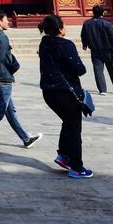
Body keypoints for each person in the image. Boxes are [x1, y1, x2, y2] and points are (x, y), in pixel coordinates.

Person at [0, 10, 41, 154]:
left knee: (9, 109)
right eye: (6, 19)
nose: (8, 22)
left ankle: (26, 138)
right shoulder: (2, 37)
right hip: (2, 78)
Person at [37, 14, 93, 179]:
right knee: (74, 128)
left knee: (68, 122)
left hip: (49, 92)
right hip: (66, 92)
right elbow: (80, 69)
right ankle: (76, 166)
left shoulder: (44, 43)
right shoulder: (65, 44)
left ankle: (63, 155)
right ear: (60, 28)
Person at [80, 5, 113, 95]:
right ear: (102, 13)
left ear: (93, 12)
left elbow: (83, 35)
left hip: (95, 51)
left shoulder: (87, 23)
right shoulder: (106, 23)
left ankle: (102, 90)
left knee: (98, 70)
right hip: (108, 51)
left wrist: (84, 45)